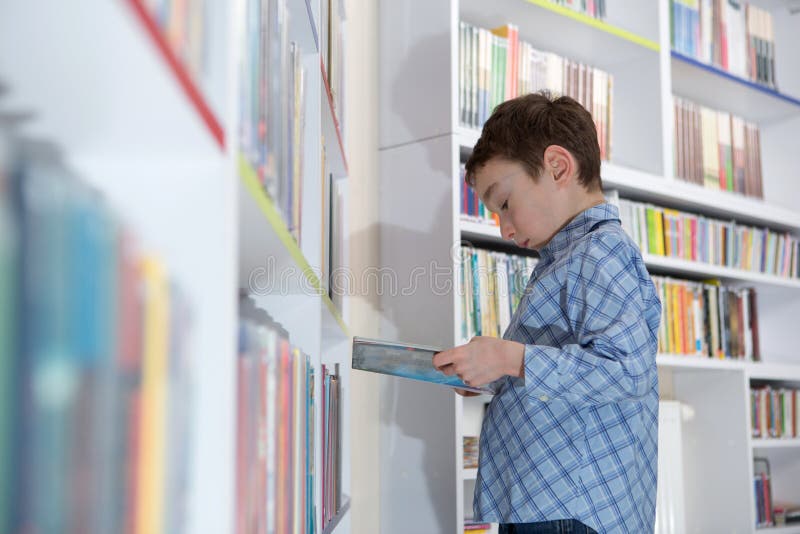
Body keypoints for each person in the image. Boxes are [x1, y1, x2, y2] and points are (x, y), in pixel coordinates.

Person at [432, 91, 661, 534]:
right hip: (545, 502)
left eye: (504, 203)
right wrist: (491, 372)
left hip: (570, 510)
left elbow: (627, 371)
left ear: (557, 167)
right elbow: (560, 371)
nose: (504, 226)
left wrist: (508, 358)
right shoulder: (565, 258)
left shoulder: (600, 252)